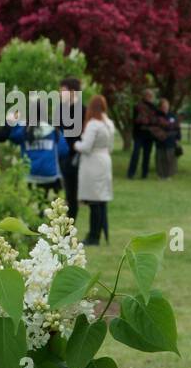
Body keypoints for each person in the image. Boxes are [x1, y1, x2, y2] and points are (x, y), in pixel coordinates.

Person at [76, 94, 116, 245]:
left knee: (94, 201)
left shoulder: (93, 124)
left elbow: (86, 147)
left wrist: (75, 145)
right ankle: (98, 233)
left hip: (92, 162)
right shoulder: (109, 123)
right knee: (100, 200)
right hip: (105, 159)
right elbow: (111, 146)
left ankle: (93, 236)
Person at [8, 104, 70, 193]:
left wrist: (15, 123)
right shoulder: (54, 131)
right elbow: (64, 151)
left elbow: (13, 137)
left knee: (31, 204)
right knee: (52, 205)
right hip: (51, 176)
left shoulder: (25, 131)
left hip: (30, 176)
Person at [57, 77, 84, 219]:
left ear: (72, 92)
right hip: (59, 157)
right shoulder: (61, 108)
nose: (60, 93)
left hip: (74, 158)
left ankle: (69, 226)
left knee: (71, 194)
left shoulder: (82, 110)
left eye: (63, 90)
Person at [126, 88, 158, 180]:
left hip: (149, 134)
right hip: (139, 133)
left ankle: (145, 174)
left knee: (147, 154)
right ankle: (131, 173)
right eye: (148, 95)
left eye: (151, 96)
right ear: (144, 96)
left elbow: (154, 120)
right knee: (136, 153)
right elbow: (137, 120)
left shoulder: (153, 107)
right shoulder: (138, 106)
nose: (149, 97)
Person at [154, 98, 181, 179]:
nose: (165, 107)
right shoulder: (156, 116)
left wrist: (178, 138)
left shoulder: (172, 116)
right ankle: (161, 175)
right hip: (160, 140)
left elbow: (177, 127)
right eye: (163, 106)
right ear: (160, 107)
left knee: (170, 158)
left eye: (167, 106)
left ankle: (168, 175)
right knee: (160, 158)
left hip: (171, 140)